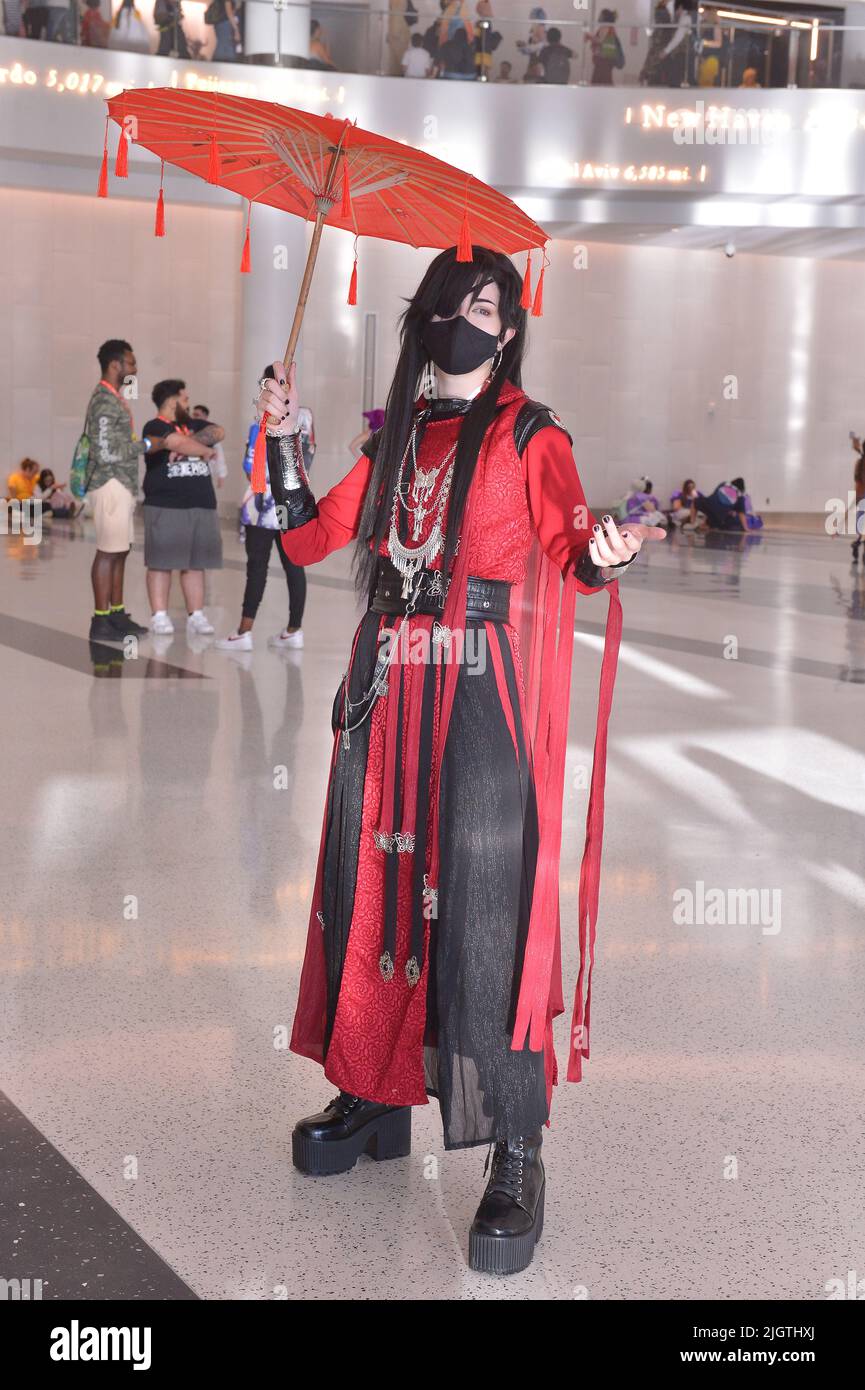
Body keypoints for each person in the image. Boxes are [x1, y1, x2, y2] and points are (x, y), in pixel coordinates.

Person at [257, 244, 664, 1275]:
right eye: (450, 303)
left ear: (511, 327)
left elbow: (572, 544)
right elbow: (306, 540)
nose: (464, 320)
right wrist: (280, 440)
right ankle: (371, 1088)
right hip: (384, 689)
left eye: (484, 306)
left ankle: (516, 1147)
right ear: (424, 317)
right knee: (369, 891)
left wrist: (600, 552)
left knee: (481, 907)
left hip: (477, 691)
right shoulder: (397, 438)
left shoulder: (533, 433)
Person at [215, 368, 308, 654]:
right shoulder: (305, 418)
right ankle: (294, 630)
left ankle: (245, 631)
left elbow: (249, 467)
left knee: (258, 566)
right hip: (292, 505)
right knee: (294, 565)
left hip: (264, 505)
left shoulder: (261, 422)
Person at [141, 379, 225, 635]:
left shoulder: (193, 424)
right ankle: (159, 615)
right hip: (166, 504)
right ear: (171, 401)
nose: (188, 404)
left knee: (195, 562)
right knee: (161, 562)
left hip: (201, 503)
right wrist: (202, 450)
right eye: (185, 399)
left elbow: (218, 432)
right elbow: (170, 443)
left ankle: (196, 615)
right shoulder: (153, 426)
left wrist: (188, 443)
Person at [83, 340, 152, 642]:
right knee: (108, 553)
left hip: (121, 484)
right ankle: (100, 620)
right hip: (108, 484)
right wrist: (149, 445)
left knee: (120, 551)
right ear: (116, 365)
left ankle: (116, 613)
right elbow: (106, 450)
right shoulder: (103, 400)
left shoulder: (115, 398)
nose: (135, 369)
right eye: (131, 363)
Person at [658, 0, 694, 86]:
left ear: (680, 7)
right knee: (677, 78)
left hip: (681, 54)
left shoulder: (685, 18)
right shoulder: (684, 18)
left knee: (675, 79)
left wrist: (666, 51)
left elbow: (678, 37)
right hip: (681, 54)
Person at [585, 9, 624, 85]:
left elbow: (600, 40)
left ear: (604, 17)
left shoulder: (605, 27)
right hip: (606, 59)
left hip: (603, 60)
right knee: (605, 81)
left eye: (600, 15)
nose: (599, 17)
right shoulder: (610, 28)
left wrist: (589, 37)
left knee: (600, 82)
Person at [640, 1, 672, 85]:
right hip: (663, 69)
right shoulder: (668, 31)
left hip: (657, 70)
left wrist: (645, 70)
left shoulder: (660, 32)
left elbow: (653, 52)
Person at [851, 435, 865, 564]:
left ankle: (857, 544)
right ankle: (858, 545)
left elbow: (857, 479)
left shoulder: (859, 462)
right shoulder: (860, 462)